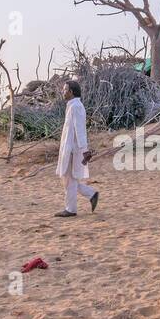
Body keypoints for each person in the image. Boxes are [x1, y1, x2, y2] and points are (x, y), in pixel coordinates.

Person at [55, 80, 98, 217]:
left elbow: (80, 130)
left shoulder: (76, 107)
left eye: (65, 89)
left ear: (71, 92)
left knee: (70, 179)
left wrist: (84, 150)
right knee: (69, 179)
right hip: (69, 149)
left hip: (73, 150)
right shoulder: (72, 106)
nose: (63, 92)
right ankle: (91, 194)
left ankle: (71, 209)